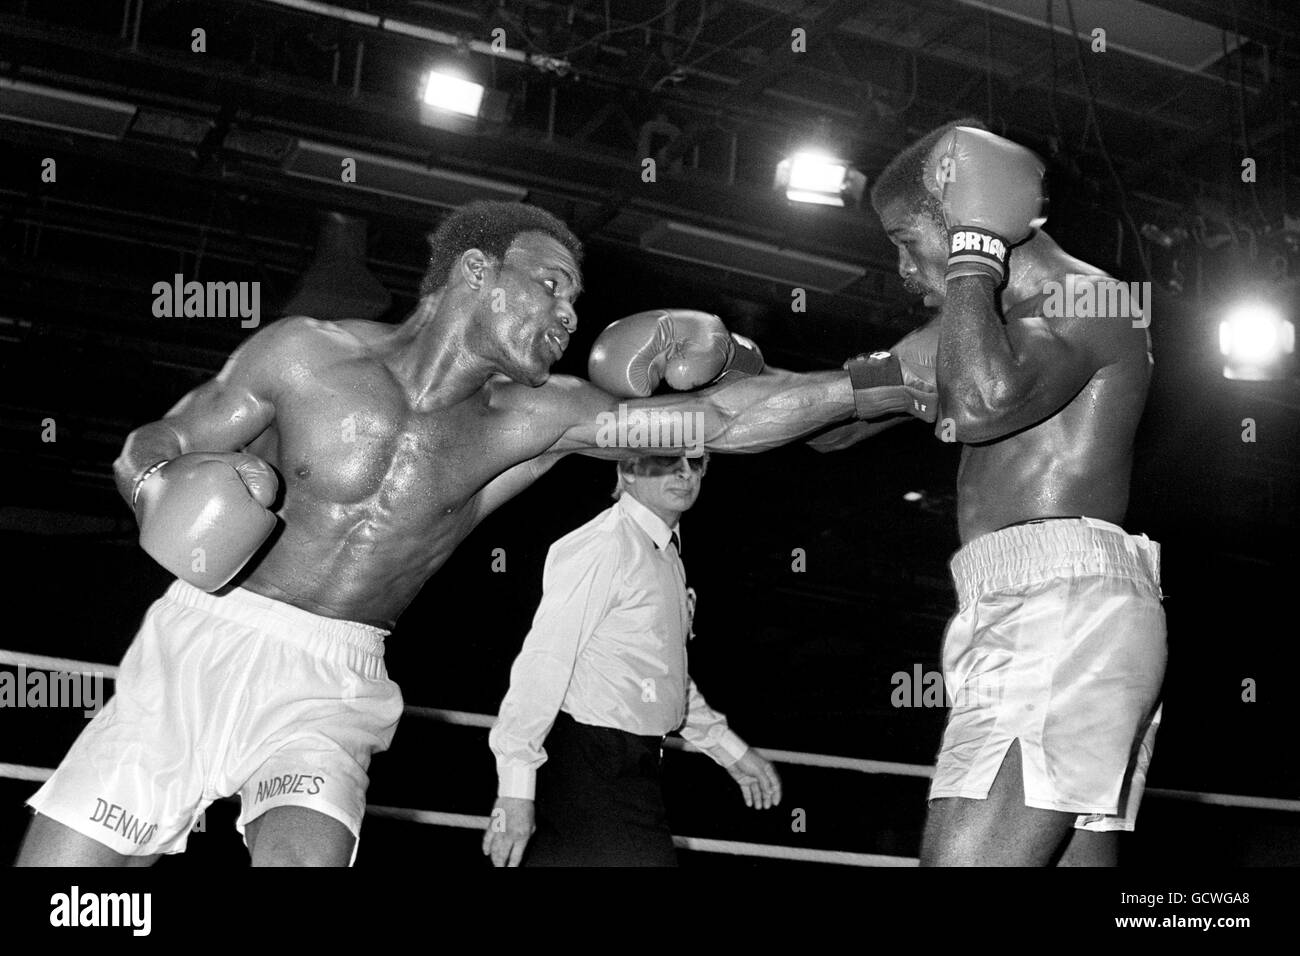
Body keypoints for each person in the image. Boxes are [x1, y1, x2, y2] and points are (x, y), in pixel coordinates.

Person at [18, 200, 936, 867]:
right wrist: (156, 493)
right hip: (202, 643)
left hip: (330, 683)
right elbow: (159, 441)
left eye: (578, 302)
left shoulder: (532, 419)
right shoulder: (303, 354)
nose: (570, 316)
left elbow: (716, 425)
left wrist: (886, 377)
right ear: (474, 273)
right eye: (551, 287)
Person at [821, 120, 1166, 866]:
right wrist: (723, 370)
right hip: (1036, 605)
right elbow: (834, 424)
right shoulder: (974, 331)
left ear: (976, 217)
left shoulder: (1098, 301)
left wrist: (973, 252)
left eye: (907, 238)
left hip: (1062, 607)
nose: (901, 266)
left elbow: (980, 405)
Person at [482, 452, 781, 867]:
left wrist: (729, 750)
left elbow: (660, 672)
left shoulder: (664, 553)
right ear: (627, 470)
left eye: (695, 463)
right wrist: (515, 788)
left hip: (628, 770)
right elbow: (544, 661)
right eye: (666, 460)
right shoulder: (605, 545)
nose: (684, 473)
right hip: (591, 765)